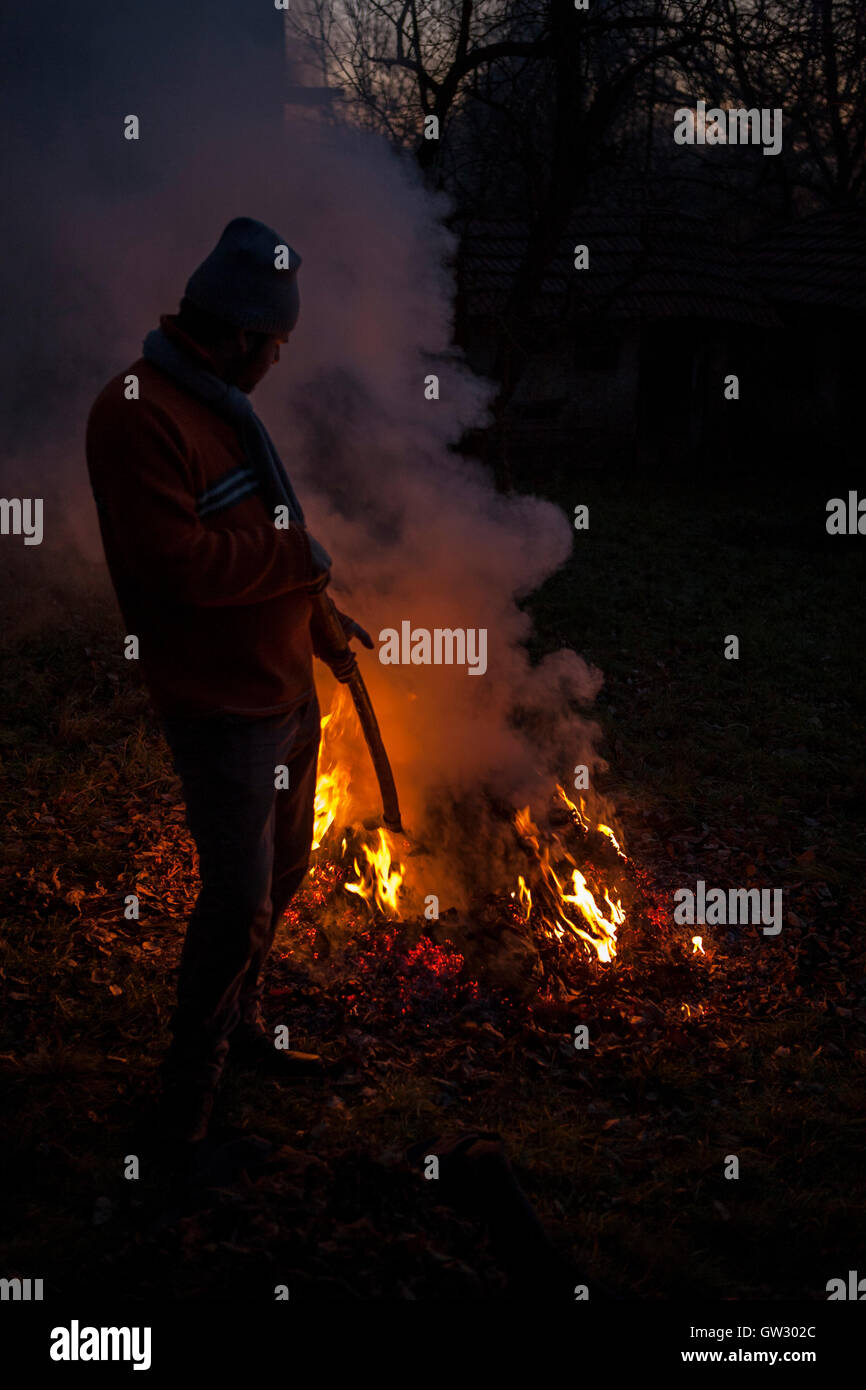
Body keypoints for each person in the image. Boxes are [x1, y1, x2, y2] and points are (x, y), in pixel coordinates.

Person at [86, 217, 372, 1151]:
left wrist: (325, 629)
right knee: (237, 899)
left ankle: (239, 1029)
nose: (280, 364)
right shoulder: (138, 411)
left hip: (286, 696)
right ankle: (187, 1089)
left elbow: (276, 549)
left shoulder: (221, 403)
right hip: (221, 709)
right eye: (278, 346)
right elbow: (176, 565)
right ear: (242, 334)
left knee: (281, 879)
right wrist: (297, 553)